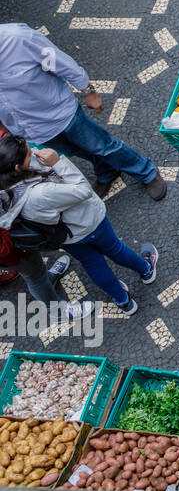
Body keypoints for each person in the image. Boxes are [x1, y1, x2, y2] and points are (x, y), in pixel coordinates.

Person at [0, 23, 164, 198]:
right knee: (77, 151)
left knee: (103, 146)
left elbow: (60, 62)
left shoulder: (17, 38)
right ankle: (107, 171)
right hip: (30, 129)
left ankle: (146, 172)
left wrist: (88, 91)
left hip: (60, 114)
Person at [0, 138, 159, 315]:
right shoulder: (40, 194)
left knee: (92, 263)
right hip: (88, 223)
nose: (34, 153)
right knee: (115, 249)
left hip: (65, 237)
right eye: (30, 155)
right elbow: (83, 191)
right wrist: (58, 163)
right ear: (16, 167)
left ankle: (123, 300)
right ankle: (146, 270)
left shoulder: (5, 189)